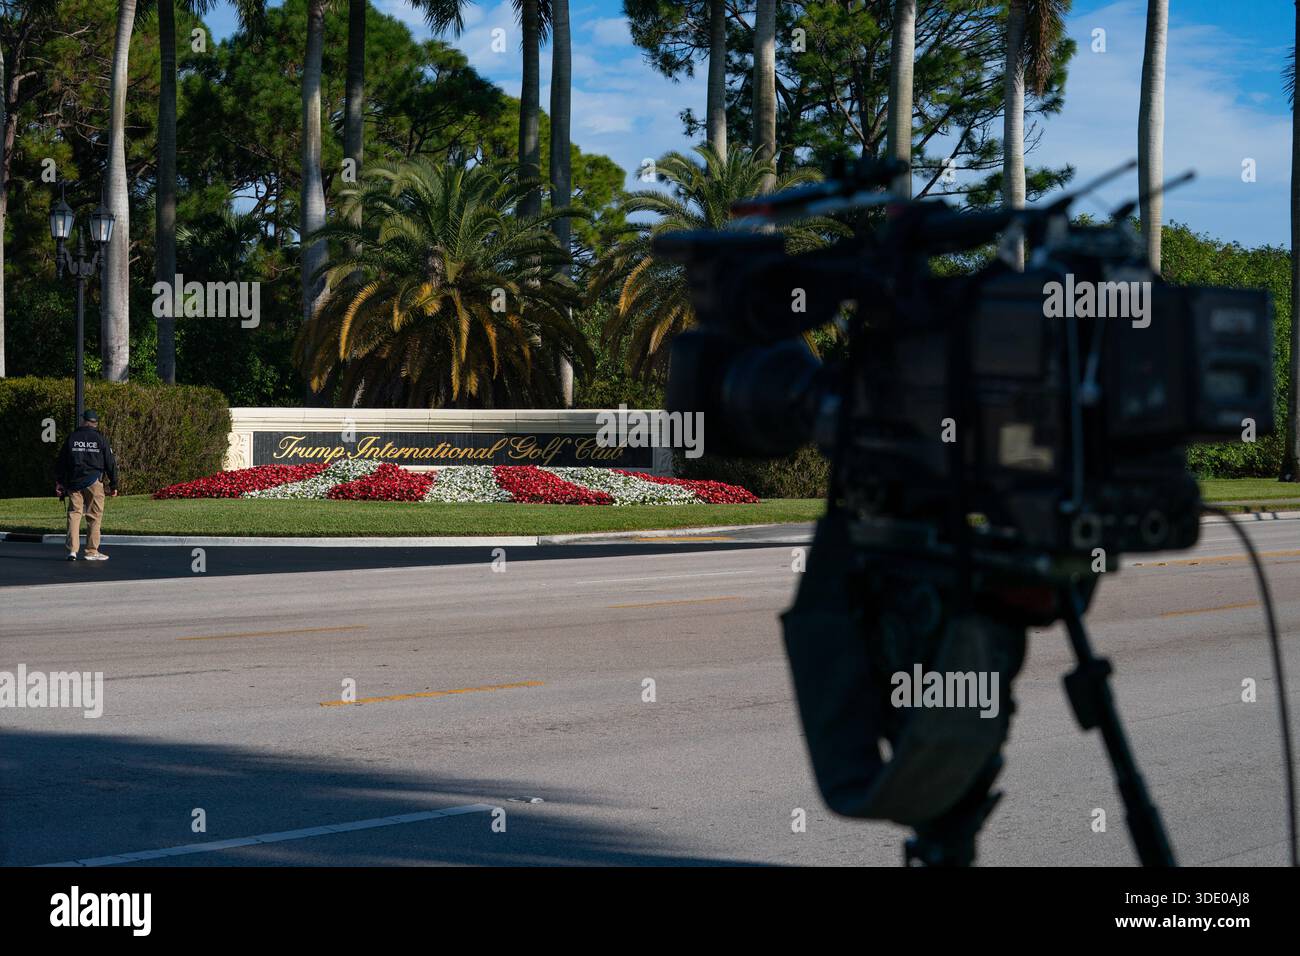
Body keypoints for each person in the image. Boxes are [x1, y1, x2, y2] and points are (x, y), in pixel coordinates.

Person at [55, 410, 119, 561]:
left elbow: (61, 462)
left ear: (84, 421)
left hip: (74, 482)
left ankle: (72, 550)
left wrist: (60, 482)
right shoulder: (100, 439)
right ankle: (91, 551)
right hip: (94, 481)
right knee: (94, 516)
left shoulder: (72, 438)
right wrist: (114, 484)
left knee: (74, 514)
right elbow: (110, 463)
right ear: (95, 423)